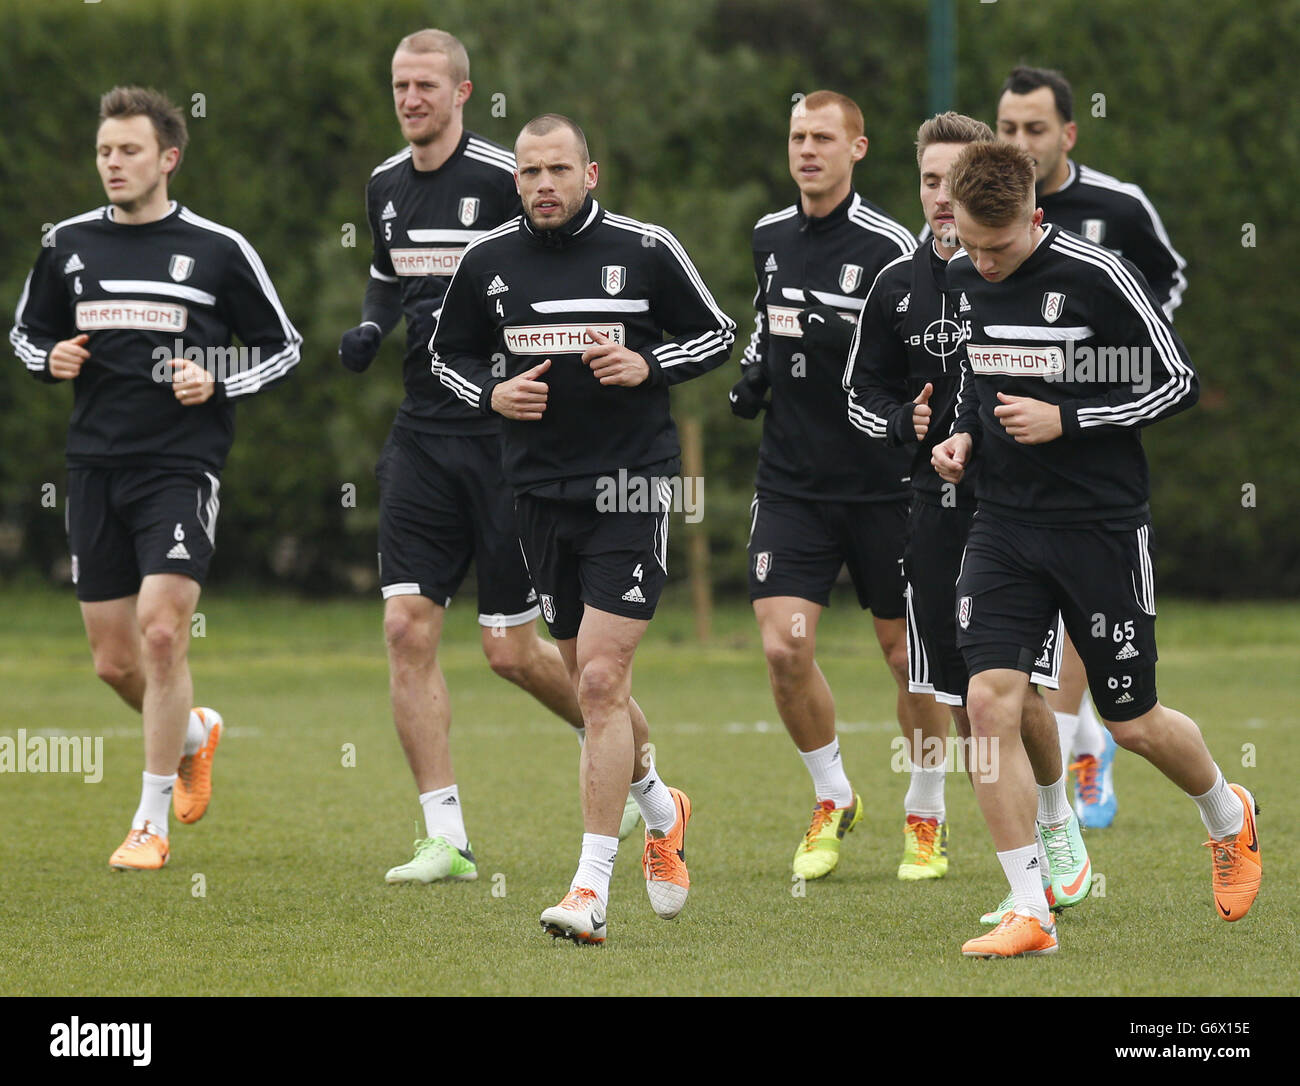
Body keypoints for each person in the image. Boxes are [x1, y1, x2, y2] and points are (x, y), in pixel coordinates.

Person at [932, 141, 1259, 957]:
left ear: (1035, 219)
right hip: (1003, 525)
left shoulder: (1097, 278)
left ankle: (1227, 813)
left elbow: (1175, 380)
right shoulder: (964, 276)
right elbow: (976, 379)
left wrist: (1068, 419)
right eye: (970, 245)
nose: (982, 262)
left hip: (1100, 528)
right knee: (988, 705)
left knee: (1132, 720)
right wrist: (961, 438)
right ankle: (1029, 911)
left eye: (998, 247)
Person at [432, 113, 736, 944]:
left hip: (630, 487)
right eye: (528, 172)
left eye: (557, 170)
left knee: (601, 683)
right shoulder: (487, 262)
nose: (541, 185)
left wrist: (650, 364)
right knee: (590, 683)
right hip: (535, 493)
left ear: (590, 173)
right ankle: (661, 806)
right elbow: (442, 356)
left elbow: (718, 333)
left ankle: (590, 889)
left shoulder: (644, 250)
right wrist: (489, 395)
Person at [339, 31, 628, 888]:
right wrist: (370, 322)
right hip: (422, 438)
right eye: (400, 83)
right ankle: (446, 837)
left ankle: (636, 771)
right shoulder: (385, 185)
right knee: (405, 627)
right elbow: (389, 271)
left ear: (463, 93)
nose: (410, 97)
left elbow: (547, 277)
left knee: (512, 652)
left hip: (507, 443)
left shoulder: (512, 180)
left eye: (427, 84)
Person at [10, 86, 301, 870]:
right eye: (105, 150)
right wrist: (50, 360)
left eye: (129, 150)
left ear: (168, 158)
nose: (113, 162)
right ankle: (196, 734)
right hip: (94, 467)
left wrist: (217, 377)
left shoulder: (218, 249)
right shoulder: (67, 243)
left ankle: (149, 822)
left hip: (181, 464)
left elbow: (281, 346)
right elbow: (28, 333)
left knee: (164, 630)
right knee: (113, 662)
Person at [844, 112, 1090, 922]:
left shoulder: (1027, 278)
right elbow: (860, 391)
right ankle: (1021, 880)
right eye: (927, 181)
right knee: (965, 699)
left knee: (1019, 696)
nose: (941, 199)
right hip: (935, 510)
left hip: (1022, 509)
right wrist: (898, 423)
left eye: (954, 182)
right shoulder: (896, 284)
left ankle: (1058, 824)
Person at [730, 90, 951, 882]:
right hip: (792, 482)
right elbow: (767, 315)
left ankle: (926, 814)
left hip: (886, 484)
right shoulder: (769, 236)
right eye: (797, 136)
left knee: (905, 656)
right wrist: (754, 371)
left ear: (858, 149)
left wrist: (841, 342)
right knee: (782, 648)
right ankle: (833, 798)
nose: (807, 150)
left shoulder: (894, 246)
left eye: (824, 137)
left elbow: (920, 357)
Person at [995, 65, 1190, 828]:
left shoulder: (1116, 211)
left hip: (1100, 447)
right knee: (998, 670)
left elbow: (1165, 290)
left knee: (1102, 641)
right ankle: (1054, 807)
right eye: (1007, 128)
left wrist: (1105, 365)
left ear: (1067, 134)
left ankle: (1089, 745)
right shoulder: (981, 216)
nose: (1019, 143)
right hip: (1009, 469)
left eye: (1034, 130)